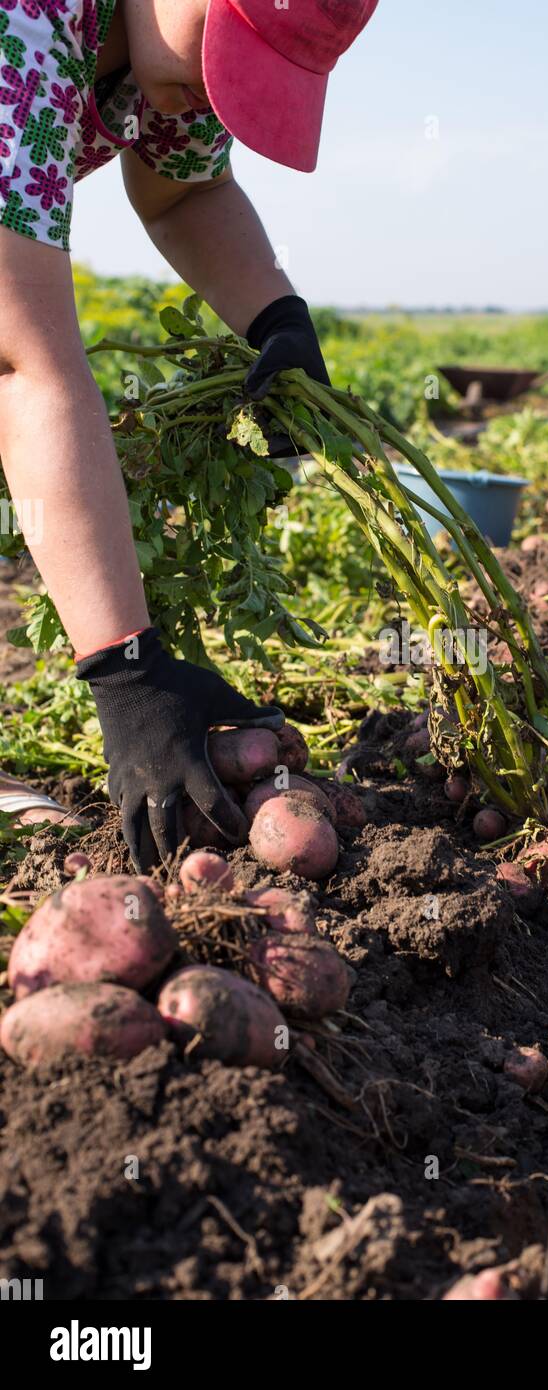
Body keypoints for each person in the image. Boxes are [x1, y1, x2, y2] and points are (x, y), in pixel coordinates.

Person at [0, 0, 378, 869]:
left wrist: (276, 317)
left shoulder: (155, 48)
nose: (211, 95)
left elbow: (186, 191)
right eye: (222, 54)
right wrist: (127, 672)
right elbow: (20, 363)